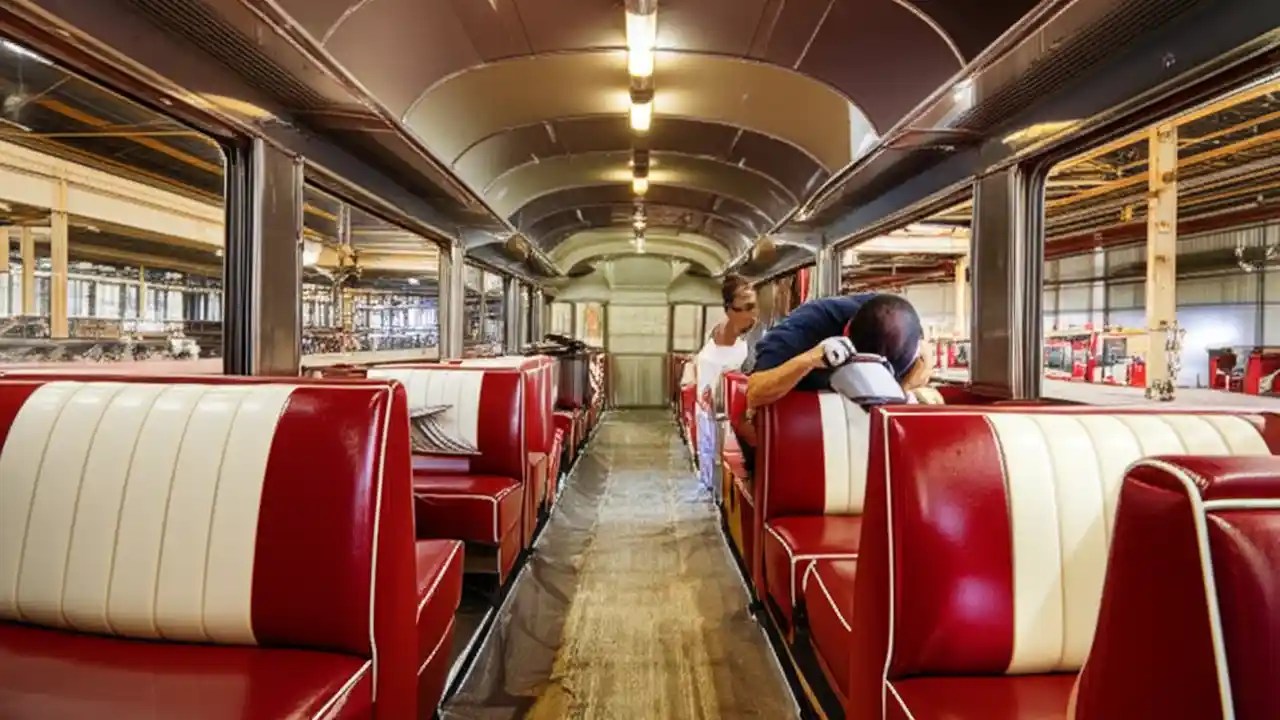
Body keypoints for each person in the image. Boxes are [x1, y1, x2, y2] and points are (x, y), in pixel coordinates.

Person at [733, 292, 932, 474]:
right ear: (846, 334)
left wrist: (901, 391)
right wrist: (810, 359)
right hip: (794, 431)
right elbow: (755, 392)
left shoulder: (902, 326)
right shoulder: (804, 327)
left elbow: (925, 362)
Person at [693, 274, 758, 493]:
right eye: (746, 307)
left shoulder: (754, 340)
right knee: (706, 456)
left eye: (754, 306)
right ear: (730, 310)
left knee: (718, 459)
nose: (752, 314)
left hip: (730, 414)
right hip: (705, 408)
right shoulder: (715, 331)